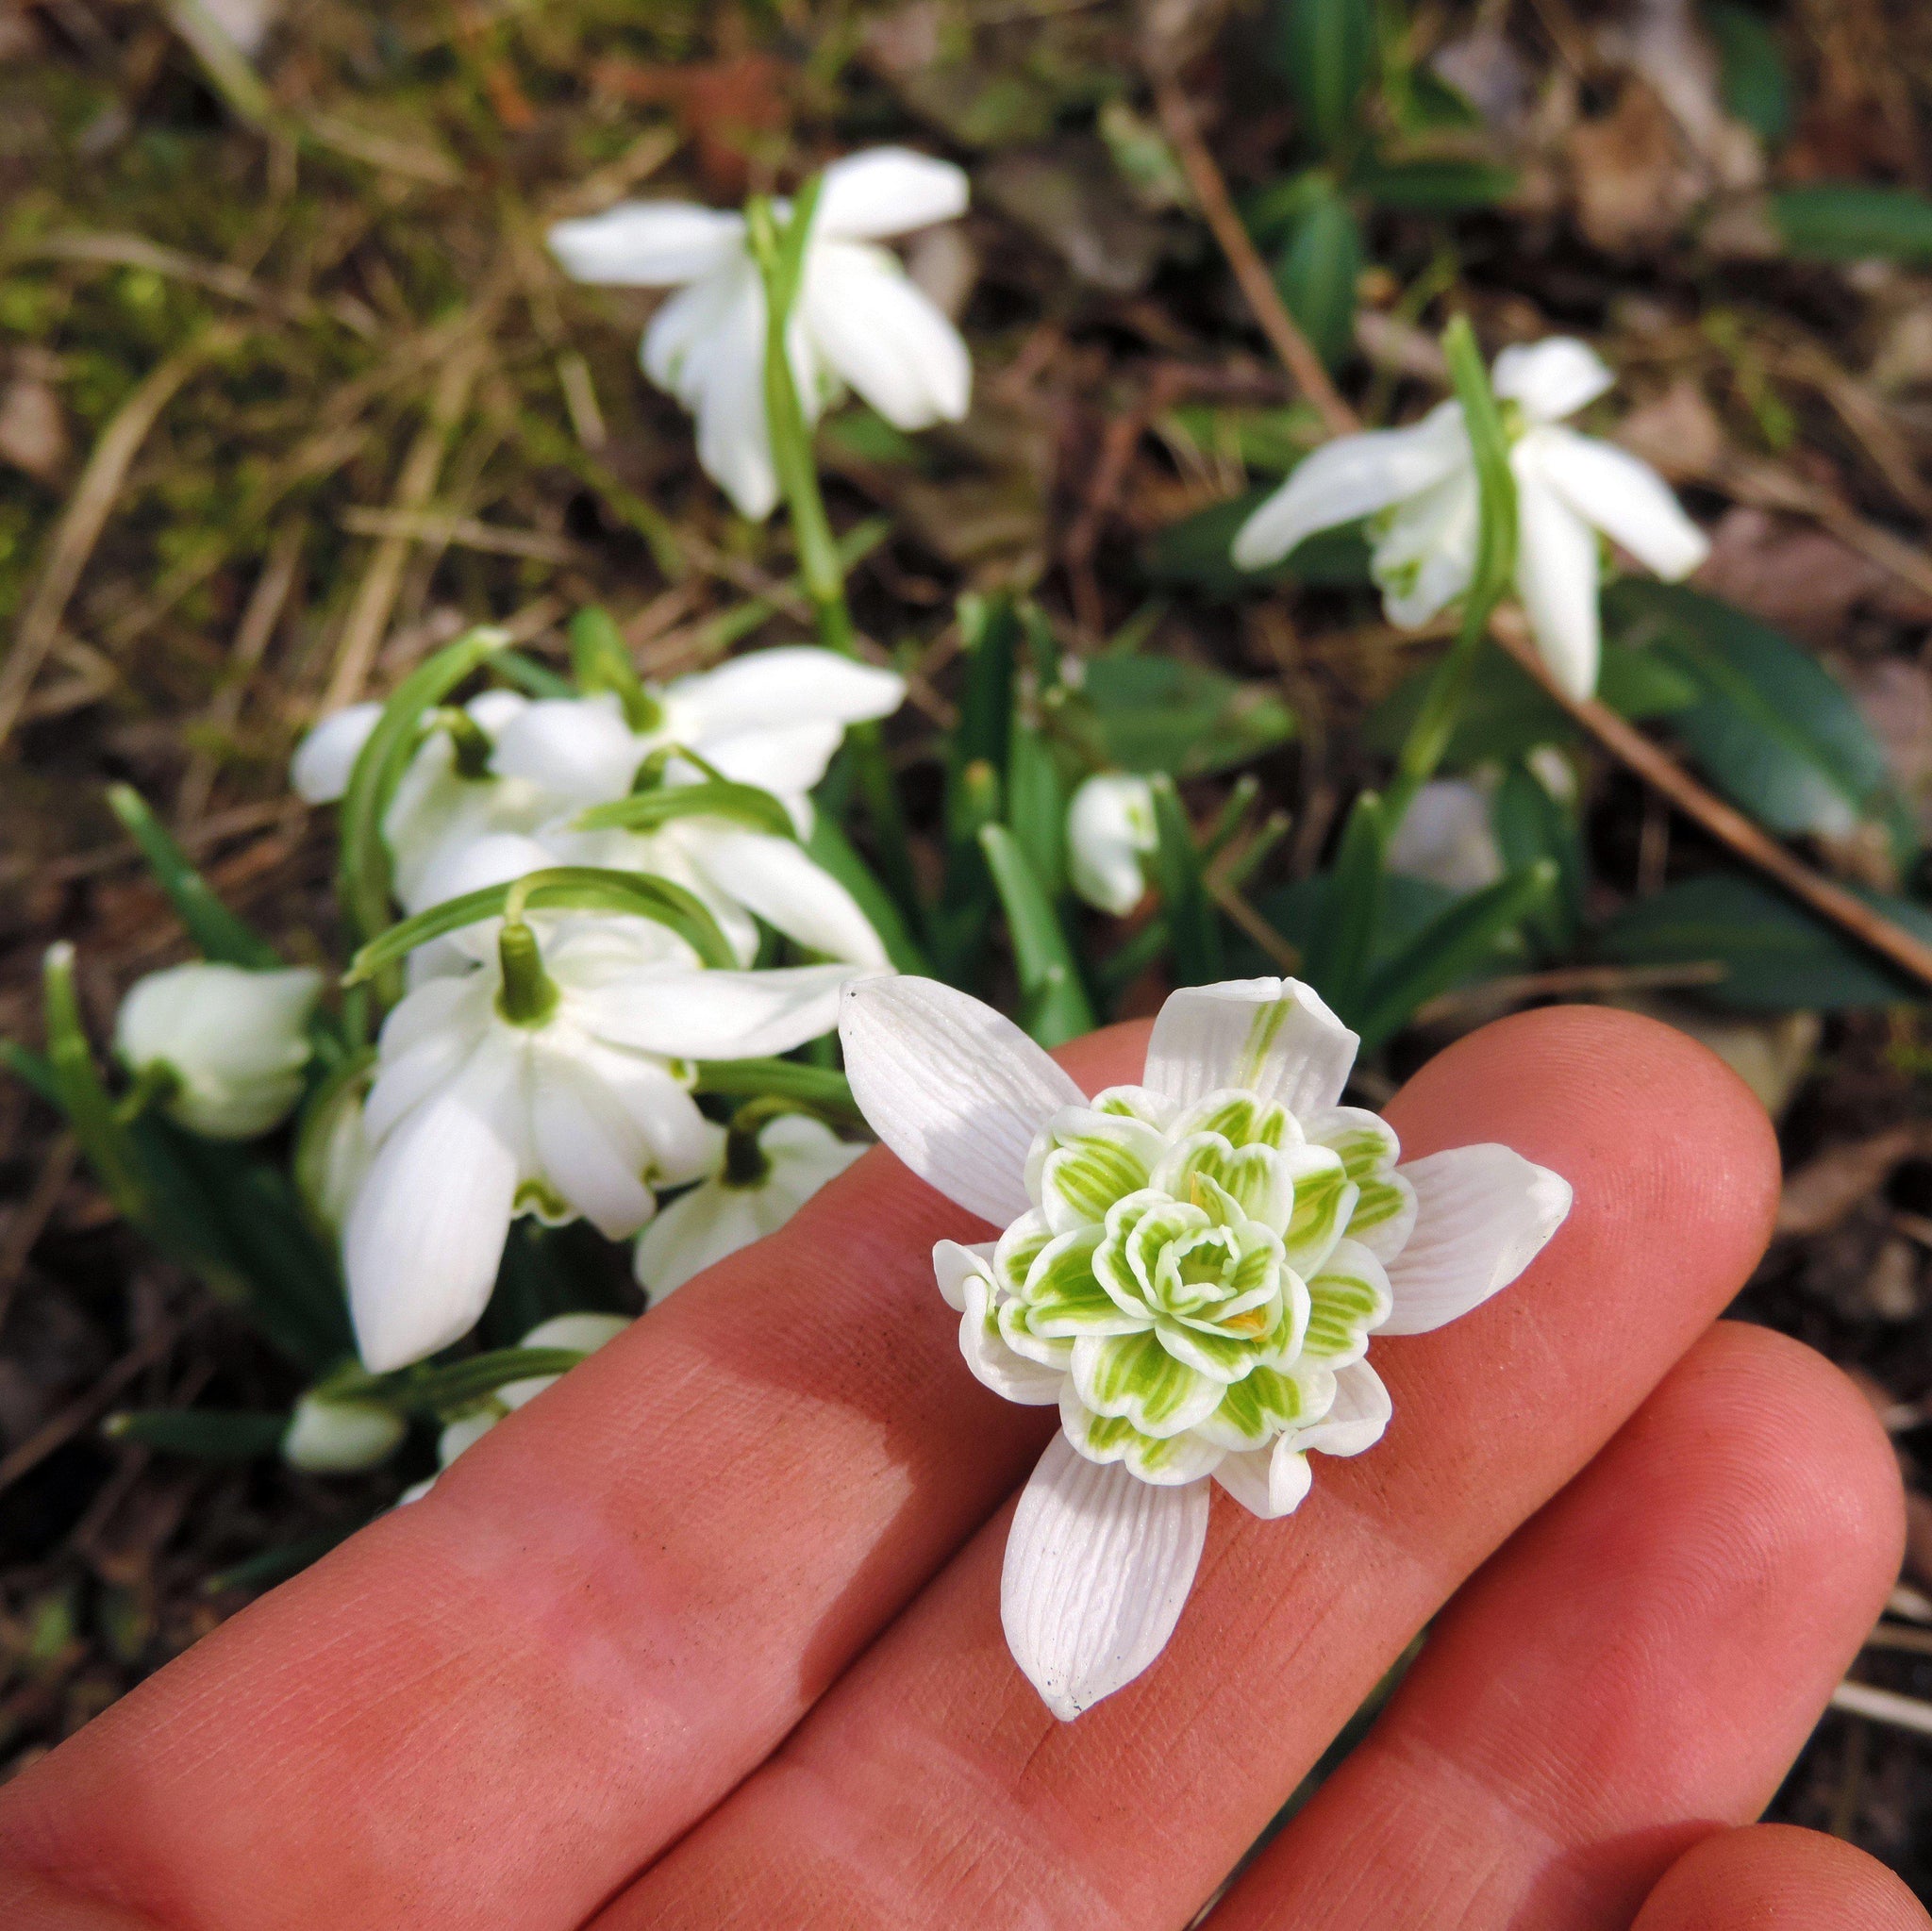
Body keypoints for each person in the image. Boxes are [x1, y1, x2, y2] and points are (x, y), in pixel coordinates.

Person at [0, 1006, 1925, 1931]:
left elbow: (1454, 1171)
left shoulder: (1335, 1291)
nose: (1207, 1263)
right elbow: (951, 1060)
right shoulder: (1088, 1186)